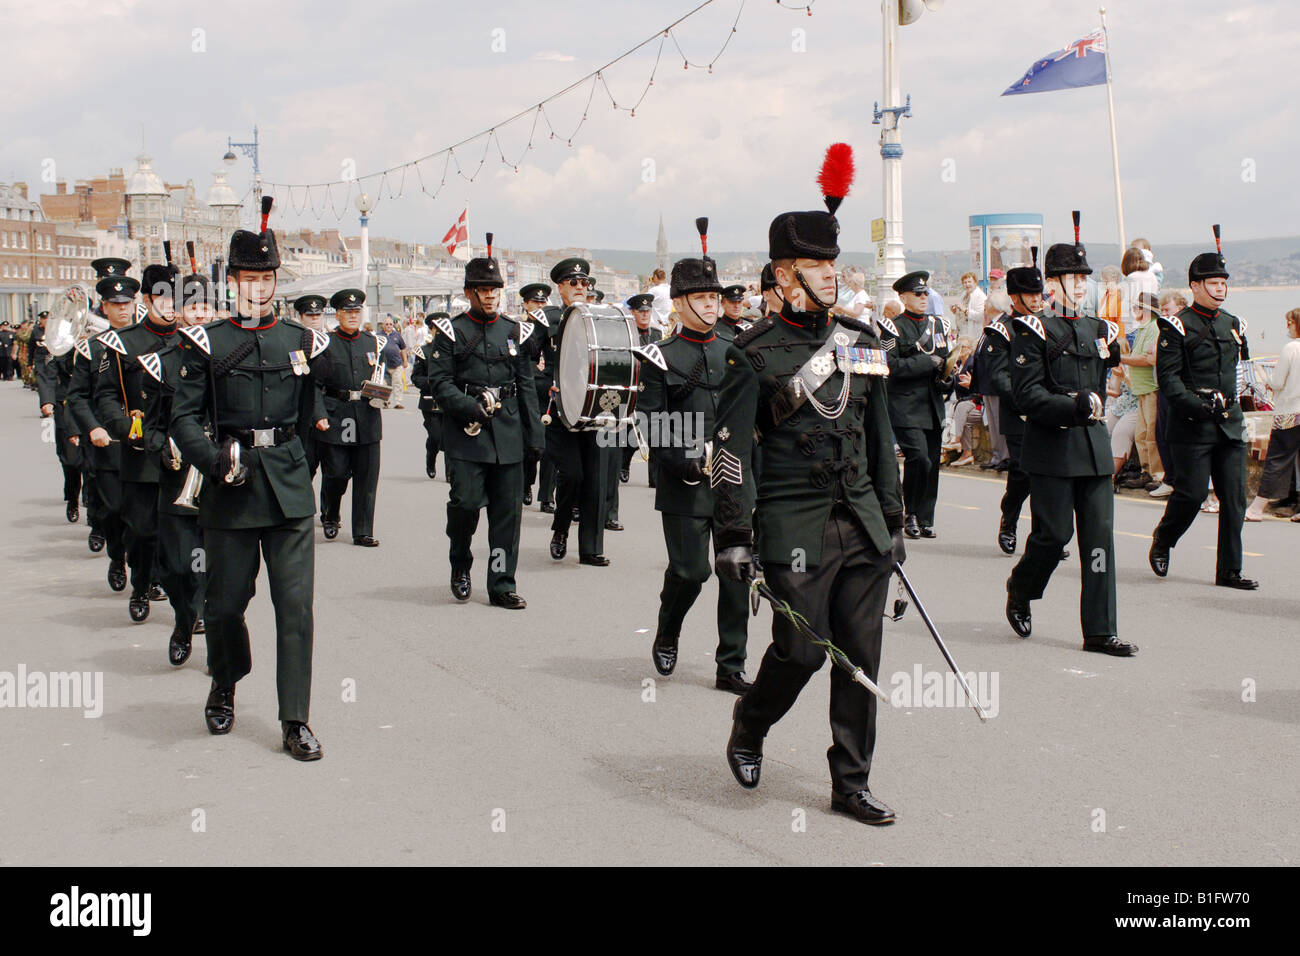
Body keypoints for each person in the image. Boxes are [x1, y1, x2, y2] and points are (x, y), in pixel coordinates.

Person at [713, 145, 906, 825]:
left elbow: (881, 440)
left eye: (833, 265)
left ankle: (850, 782)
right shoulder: (753, 352)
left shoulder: (862, 341)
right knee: (798, 650)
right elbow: (731, 450)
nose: (829, 277)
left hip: (859, 521)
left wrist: (893, 522)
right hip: (792, 522)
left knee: (861, 657)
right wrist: (734, 536)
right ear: (782, 275)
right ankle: (751, 720)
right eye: (814, 267)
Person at [170, 200, 331, 760]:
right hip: (230, 486)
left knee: (296, 607)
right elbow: (183, 419)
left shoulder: (300, 341)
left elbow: (311, 416)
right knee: (224, 604)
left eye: (266, 278)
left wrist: (297, 467)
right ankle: (224, 681)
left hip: (287, 489)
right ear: (232, 282)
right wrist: (215, 460)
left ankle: (295, 720)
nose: (258, 288)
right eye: (248, 278)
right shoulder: (205, 342)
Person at [1004, 214, 1136, 657]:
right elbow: (1026, 396)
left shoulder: (1097, 328)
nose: (1080, 284)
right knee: (1054, 536)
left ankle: (1100, 631)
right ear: (1051, 283)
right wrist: (1073, 405)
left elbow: (1105, 372)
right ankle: (1022, 587)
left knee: (1099, 541)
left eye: (1083, 277)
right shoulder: (1032, 330)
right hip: (1053, 449)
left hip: (1094, 450)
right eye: (1071, 277)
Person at [640, 227, 751, 695]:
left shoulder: (737, 353)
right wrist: (683, 459)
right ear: (679, 302)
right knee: (691, 571)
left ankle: (731, 665)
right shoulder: (659, 356)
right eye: (700, 297)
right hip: (685, 480)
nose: (710, 304)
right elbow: (649, 419)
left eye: (714, 296)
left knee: (735, 571)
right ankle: (668, 629)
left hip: (734, 481)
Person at [428, 235, 542, 608]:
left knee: (507, 516)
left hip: (507, 433)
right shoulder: (451, 332)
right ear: (469, 292)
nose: (491, 295)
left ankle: (501, 583)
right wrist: (468, 406)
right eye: (483, 289)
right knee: (465, 504)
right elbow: (440, 384)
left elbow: (526, 387)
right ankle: (460, 562)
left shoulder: (515, 331)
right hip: (467, 433)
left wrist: (534, 438)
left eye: (495, 289)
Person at [1148, 228, 1257, 590]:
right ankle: (1164, 538)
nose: (1220, 288)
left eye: (1223, 282)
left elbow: (1243, 370)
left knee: (1235, 499)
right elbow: (1169, 380)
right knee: (1192, 495)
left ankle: (1229, 570)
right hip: (1191, 426)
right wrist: (1198, 406)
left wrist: (1243, 402)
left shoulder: (1235, 325)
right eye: (1213, 282)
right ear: (1195, 286)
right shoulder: (1176, 326)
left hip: (1230, 426)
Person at [95, 251, 183, 623]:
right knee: (144, 530)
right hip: (141, 448)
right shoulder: (123, 343)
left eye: (176, 299)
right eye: (162, 298)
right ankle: (141, 584)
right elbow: (107, 395)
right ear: (146, 300)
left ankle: (185, 604)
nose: (170, 306)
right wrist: (123, 427)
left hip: (183, 449)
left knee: (179, 534)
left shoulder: (193, 339)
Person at [147, 265, 211, 665]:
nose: (200, 313)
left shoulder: (232, 353)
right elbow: (149, 425)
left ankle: (206, 624)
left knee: (213, 564)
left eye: (206, 306)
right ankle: (182, 618)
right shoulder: (160, 363)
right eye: (192, 306)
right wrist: (162, 446)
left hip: (221, 475)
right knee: (175, 565)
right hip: (177, 476)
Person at [66, 259, 136, 581]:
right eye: (115, 305)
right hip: (106, 444)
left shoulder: (152, 345)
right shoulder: (91, 349)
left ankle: (146, 575)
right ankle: (117, 556)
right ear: (104, 308)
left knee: (147, 516)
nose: (123, 310)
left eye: (127, 303)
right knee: (112, 510)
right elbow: (78, 396)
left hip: (144, 443)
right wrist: (92, 427)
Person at [545, 257, 612, 565]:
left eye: (585, 283)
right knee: (572, 474)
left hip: (594, 407)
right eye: (574, 283)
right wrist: (548, 385)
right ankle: (560, 529)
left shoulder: (598, 320)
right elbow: (526, 365)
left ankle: (591, 548)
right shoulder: (546, 321)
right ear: (560, 287)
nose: (581, 288)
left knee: (595, 481)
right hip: (561, 411)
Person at [877, 270, 953, 539]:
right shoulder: (892, 328)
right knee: (918, 457)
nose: (923, 298)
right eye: (918, 294)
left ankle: (925, 516)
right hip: (905, 404)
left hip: (932, 403)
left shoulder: (939, 326)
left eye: (925, 294)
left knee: (932, 463)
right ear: (903, 297)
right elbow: (889, 365)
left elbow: (946, 363)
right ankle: (908, 512)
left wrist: (948, 381)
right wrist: (925, 362)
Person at [317, 289, 384, 547]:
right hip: (337, 414)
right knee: (337, 473)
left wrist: (383, 391)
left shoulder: (372, 342)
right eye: (348, 312)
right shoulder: (327, 344)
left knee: (367, 477)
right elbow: (317, 384)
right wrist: (319, 414)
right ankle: (331, 513)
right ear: (339, 314)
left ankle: (362, 530)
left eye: (357, 311)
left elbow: (379, 377)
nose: (353, 316)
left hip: (367, 415)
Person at [1247, 308, 1300, 521]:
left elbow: (1278, 382)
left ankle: (1257, 508)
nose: (1287, 327)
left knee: (1277, 460)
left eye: (1289, 323)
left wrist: (1267, 382)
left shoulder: (1291, 348)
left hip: (1290, 413)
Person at [1119, 291, 1162, 488]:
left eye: (1138, 307)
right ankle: (1146, 470)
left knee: (1151, 434)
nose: (1135, 310)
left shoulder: (1153, 328)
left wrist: (1120, 358)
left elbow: (1146, 359)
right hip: (1142, 389)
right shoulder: (1144, 329)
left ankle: (1157, 474)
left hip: (1150, 388)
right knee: (1142, 434)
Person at [623, 292, 662, 485]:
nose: (645, 314)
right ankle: (624, 462)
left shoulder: (657, 333)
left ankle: (654, 478)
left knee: (653, 430)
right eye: (641, 311)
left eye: (648, 311)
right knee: (633, 431)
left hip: (652, 386)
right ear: (633, 312)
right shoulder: (627, 334)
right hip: (634, 386)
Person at [292, 294, 329, 479]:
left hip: (329, 413)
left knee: (333, 472)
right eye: (310, 316)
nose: (315, 319)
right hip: (303, 414)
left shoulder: (330, 342)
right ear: (301, 317)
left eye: (318, 315)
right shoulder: (294, 342)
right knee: (306, 466)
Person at [410, 312, 450, 481]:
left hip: (450, 401)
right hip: (430, 402)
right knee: (436, 436)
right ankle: (430, 459)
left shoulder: (454, 350)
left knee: (450, 437)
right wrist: (431, 382)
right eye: (437, 329)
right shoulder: (424, 351)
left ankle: (450, 472)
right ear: (432, 330)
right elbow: (415, 377)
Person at [946, 337, 981, 466]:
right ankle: (967, 454)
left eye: (964, 347)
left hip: (973, 402)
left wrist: (970, 384)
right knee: (961, 415)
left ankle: (955, 440)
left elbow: (976, 386)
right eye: (959, 347)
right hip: (962, 402)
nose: (961, 350)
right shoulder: (958, 364)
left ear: (970, 349)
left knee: (959, 408)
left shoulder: (972, 364)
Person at [379, 315, 406, 408]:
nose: (389, 325)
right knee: (384, 385)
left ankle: (398, 402)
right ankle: (385, 402)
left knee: (397, 383)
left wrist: (405, 361)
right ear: (383, 325)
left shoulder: (397, 335)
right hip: (383, 365)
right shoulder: (378, 335)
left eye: (390, 324)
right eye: (387, 324)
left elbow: (403, 348)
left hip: (397, 364)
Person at [953, 271, 986, 342]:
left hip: (974, 335)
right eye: (965, 282)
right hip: (962, 333)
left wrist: (965, 310)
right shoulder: (964, 294)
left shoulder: (980, 296)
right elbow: (961, 313)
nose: (967, 284)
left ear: (975, 282)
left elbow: (981, 316)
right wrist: (955, 311)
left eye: (969, 282)